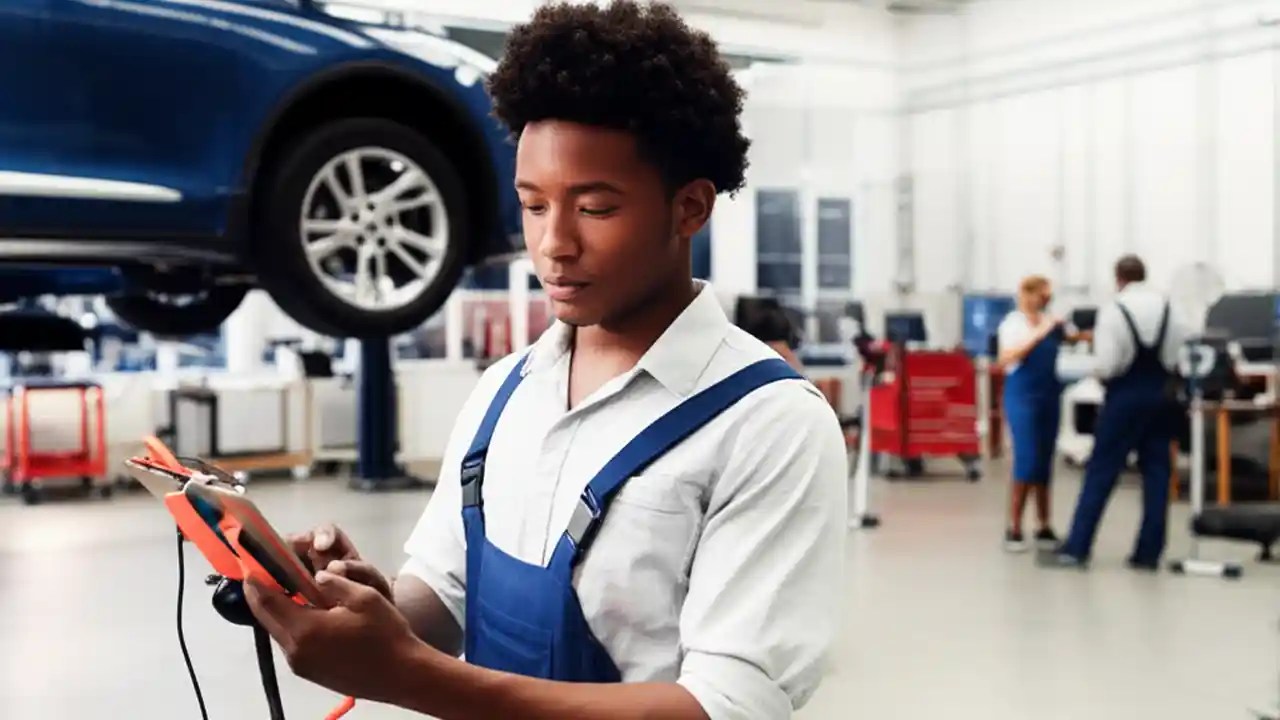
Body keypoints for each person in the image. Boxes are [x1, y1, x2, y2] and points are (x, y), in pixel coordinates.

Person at [244, 3, 849, 719]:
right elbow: (443, 595)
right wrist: (362, 605)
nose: (554, 245)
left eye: (593, 209)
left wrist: (408, 677)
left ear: (689, 208)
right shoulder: (507, 391)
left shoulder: (769, 425)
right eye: (533, 206)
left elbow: (723, 708)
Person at [1041, 255, 1187, 571]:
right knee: (1158, 474)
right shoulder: (1170, 308)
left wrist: (1097, 373)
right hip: (1162, 396)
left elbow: (1107, 364)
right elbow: (1179, 356)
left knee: (1102, 470)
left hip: (1125, 397)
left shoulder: (1114, 310)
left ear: (1118, 278)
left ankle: (1077, 548)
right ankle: (1148, 553)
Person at [996, 275, 1072, 552]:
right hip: (1022, 397)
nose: (1047, 300)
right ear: (1030, 294)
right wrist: (1038, 334)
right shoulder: (1013, 324)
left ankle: (1043, 524)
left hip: (1049, 397)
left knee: (1044, 462)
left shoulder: (1051, 322)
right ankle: (1014, 527)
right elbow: (1006, 358)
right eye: (1044, 294)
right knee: (1026, 459)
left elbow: (1071, 339)